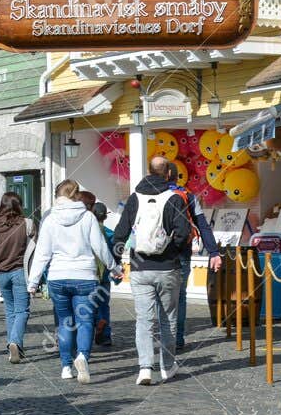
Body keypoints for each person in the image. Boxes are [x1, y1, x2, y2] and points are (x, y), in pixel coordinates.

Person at [112, 155, 218, 386]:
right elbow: (184, 232)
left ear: (148, 171)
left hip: (140, 268)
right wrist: (173, 250)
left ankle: (144, 368)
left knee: (143, 319)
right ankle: (167, 365)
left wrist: (116, 261)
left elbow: (120, 233)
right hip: (169, 266)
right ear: (168, 173)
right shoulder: (177, 197)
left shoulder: (135, 198)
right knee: (168, 318)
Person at [28, 179, 118, 384]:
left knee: (64, 323)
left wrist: (33, 281)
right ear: (76, 195)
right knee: (85, 321)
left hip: (58, 277)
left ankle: (66, 367)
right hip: (85, 276)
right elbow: (100, 247)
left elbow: (42, 253)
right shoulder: (87, 217)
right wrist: (114, 267)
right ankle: (83, 357)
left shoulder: (50, 219)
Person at [162, 161, 222, 353]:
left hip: (154, 255)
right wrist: (213, 251)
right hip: (181, 252)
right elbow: (202, 224)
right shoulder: (187, 195)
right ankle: (177, 338)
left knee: (157, 297)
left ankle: (163, 337)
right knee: (179, 296)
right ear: (174, 175)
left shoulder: (147, 195)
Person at [0, 191, 33, 364]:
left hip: (1, 273)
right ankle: (15, 342)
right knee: (22, 310)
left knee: (10, 311)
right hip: (19, 270)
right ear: (18, 205)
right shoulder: (25, 224)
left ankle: (12, 346)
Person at [91, 200, 115, 348]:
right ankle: (105, 335)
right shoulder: (110, 234)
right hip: (105, 275)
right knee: (104, 305)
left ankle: (96, 322)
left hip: (91, 274)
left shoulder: (89, 232)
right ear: (105, 217)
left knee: (90, 305)